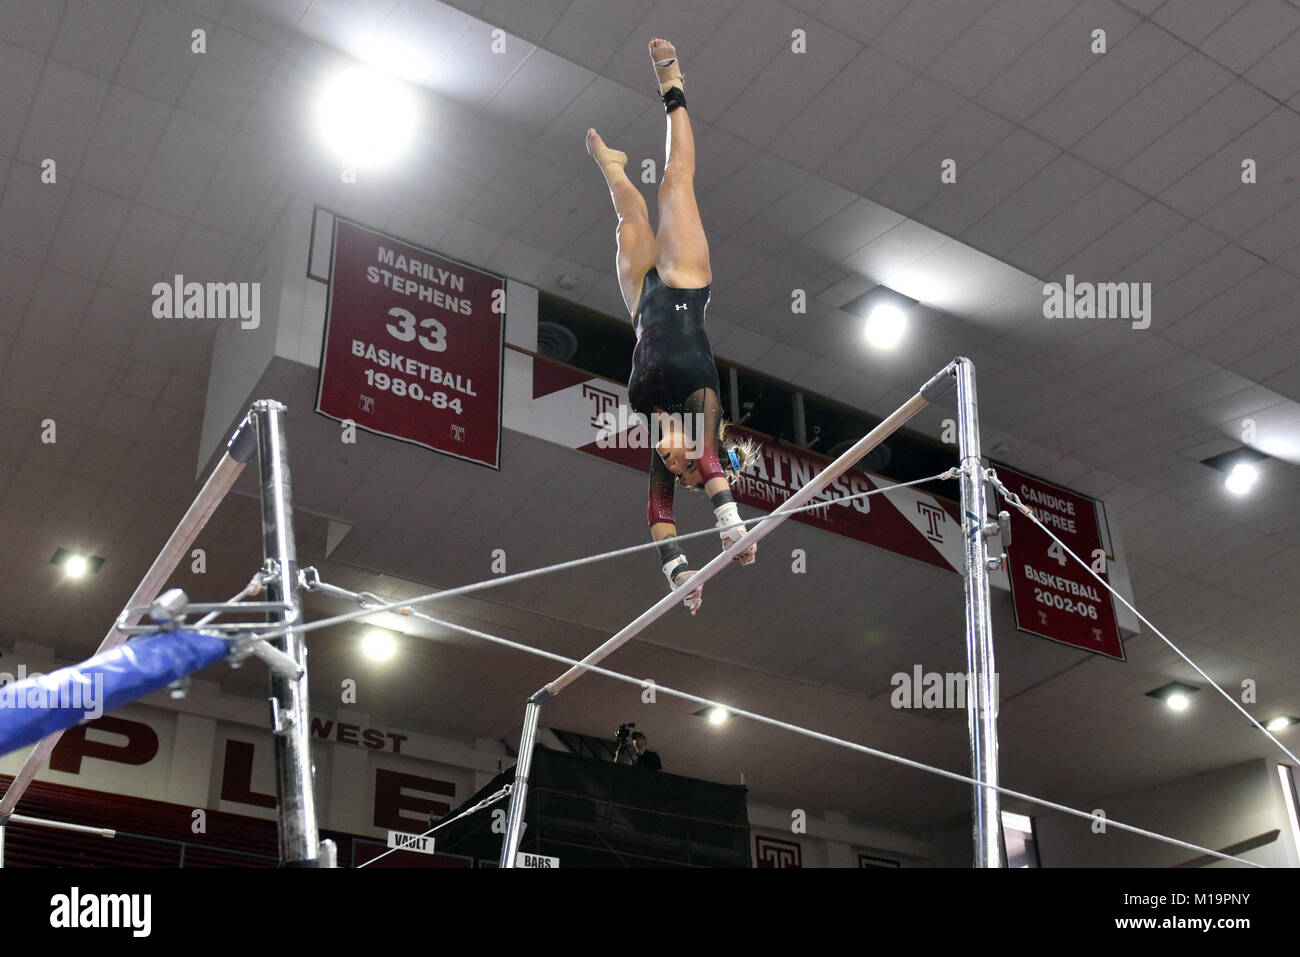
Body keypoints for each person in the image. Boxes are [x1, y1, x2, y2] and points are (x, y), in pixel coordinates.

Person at [586, 39, 760, 617]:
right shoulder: (699, 397)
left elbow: (659, 515)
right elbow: (711, 461)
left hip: (642, 304)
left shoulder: (661, 441)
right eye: (688, 463)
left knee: (628, 221)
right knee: (673, 184)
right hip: (684, 286)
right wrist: (730, 526)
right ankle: (673, 86)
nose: (674, 460)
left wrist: (678, 572)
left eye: (677, 467)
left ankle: (611, 166)